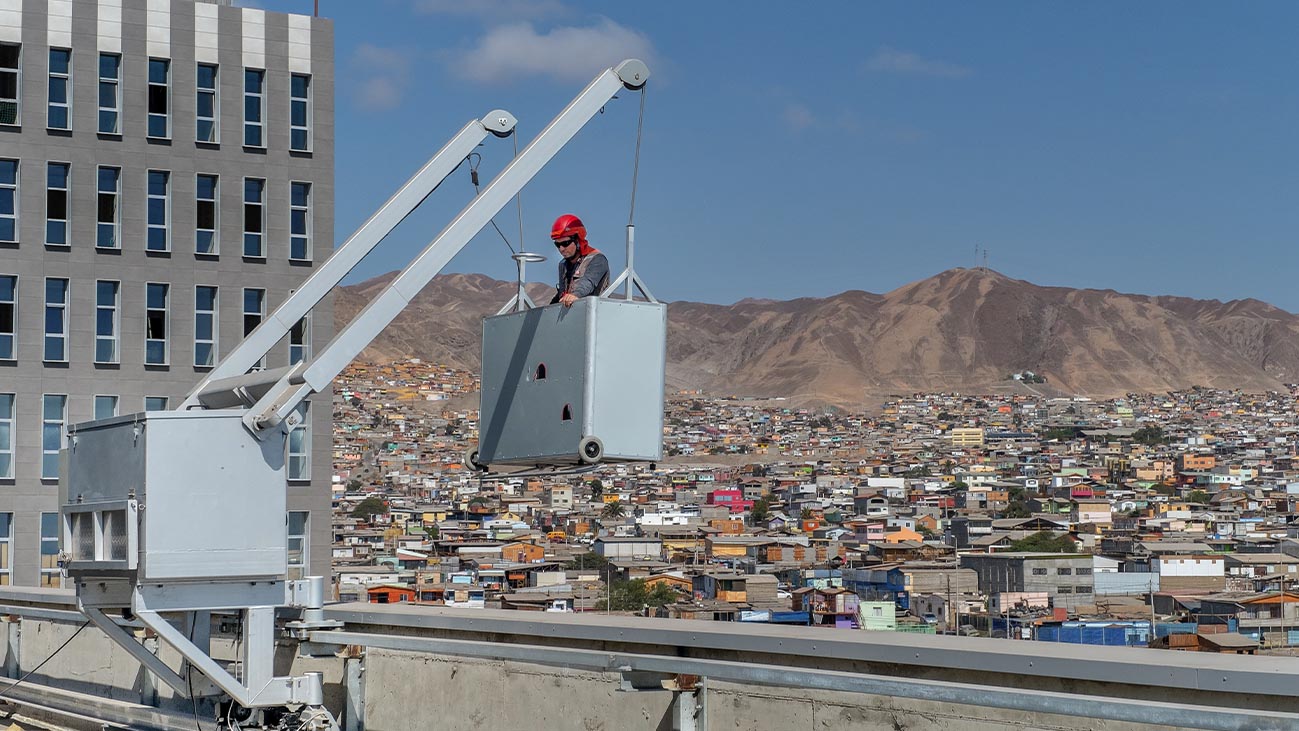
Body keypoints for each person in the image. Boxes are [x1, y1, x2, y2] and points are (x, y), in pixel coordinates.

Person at [549, 214, 609, 307]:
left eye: (565, 243)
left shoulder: (597, 259)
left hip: (595, 314)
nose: (561, 249)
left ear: (578, 240)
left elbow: (588, 282)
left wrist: (575, 295)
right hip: (571, 316)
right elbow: (562, 292)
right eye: (557, 245)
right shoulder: (563, 265)